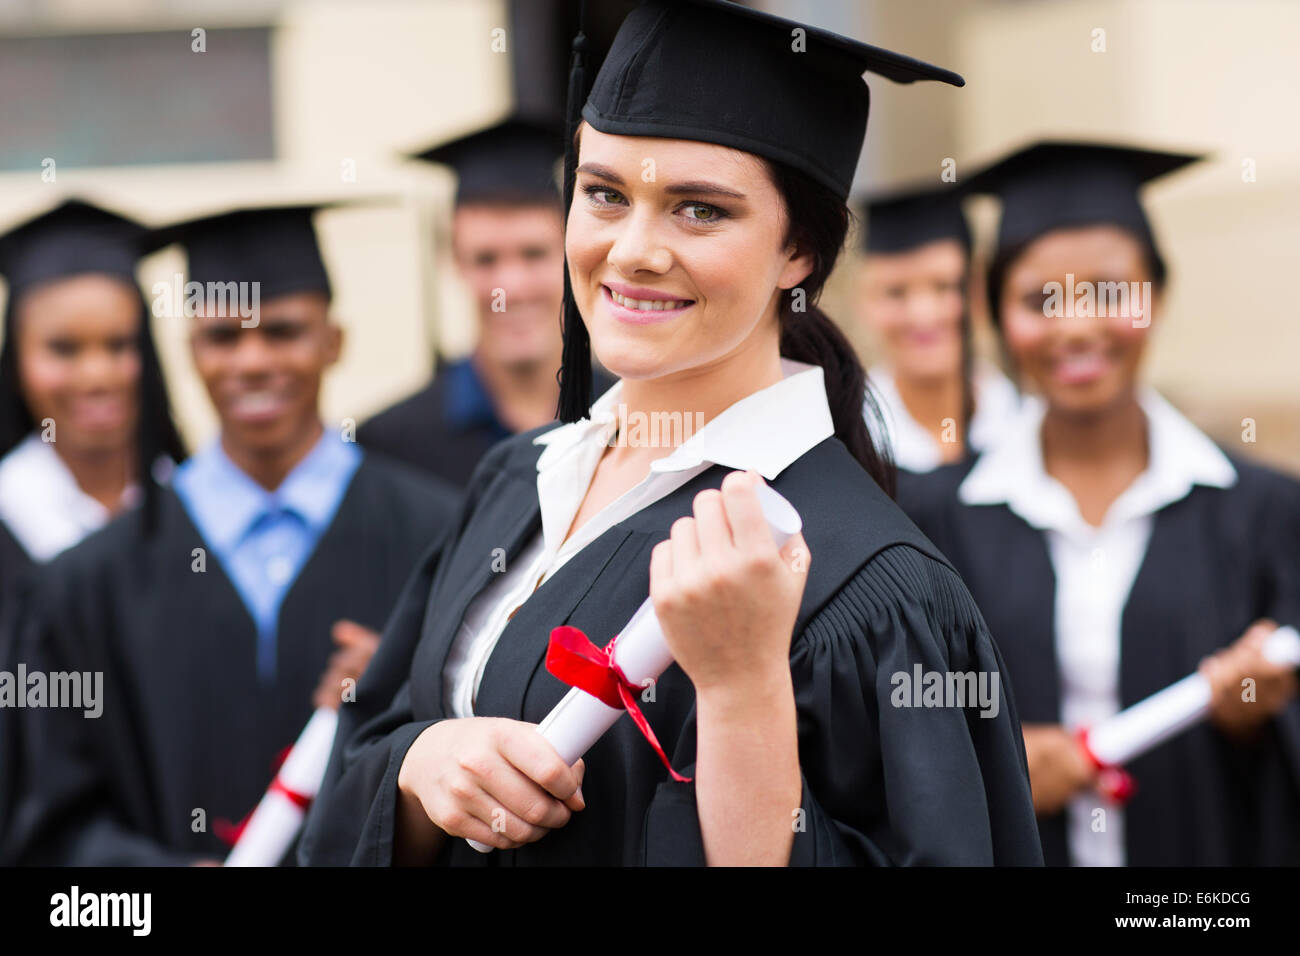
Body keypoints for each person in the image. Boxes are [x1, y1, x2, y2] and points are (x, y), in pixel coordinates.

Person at [300, 0, 1042, 867]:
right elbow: (364, 743)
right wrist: (421, 767)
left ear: (799, 250)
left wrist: (741, 696)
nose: (634, 249)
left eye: (700, 210)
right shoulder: (520, 479)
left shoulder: (873, 587)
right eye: (604, 194)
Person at [9, 204, 458, 865]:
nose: (252, 361)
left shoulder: (441, 534)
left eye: (282, 331)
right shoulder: (87, 581)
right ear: (191, 351)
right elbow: (51, 826)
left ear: (334, 341)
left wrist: (410, 690)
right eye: (223, 337)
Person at [897, 140, 1300, 865]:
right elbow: (893, 714)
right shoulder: (933, 520)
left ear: (1160, 295)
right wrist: (998, 760)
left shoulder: (1266, 512)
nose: (1077, 326)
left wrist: (1253, 714)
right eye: (1039, 299)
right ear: (995, 318)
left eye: (1112, 292)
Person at [0, 198, 186, 862]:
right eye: (62, 349)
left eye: (120, 345)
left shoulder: (196, 518)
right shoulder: (9, 520)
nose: (97, 374)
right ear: (15, 358)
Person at [359, 115, 613, 487]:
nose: (510, 287)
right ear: (453, 262)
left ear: (570, 254)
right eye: (485, 259)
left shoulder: (628, 419)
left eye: (533, 254)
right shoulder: (390, 449)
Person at [856, 182, 1018, 472]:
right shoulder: (848, 439)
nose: (923, 315)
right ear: (865, 302)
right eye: (895, 292)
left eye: (945, 287)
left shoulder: (1024, 425)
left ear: (978, 292)